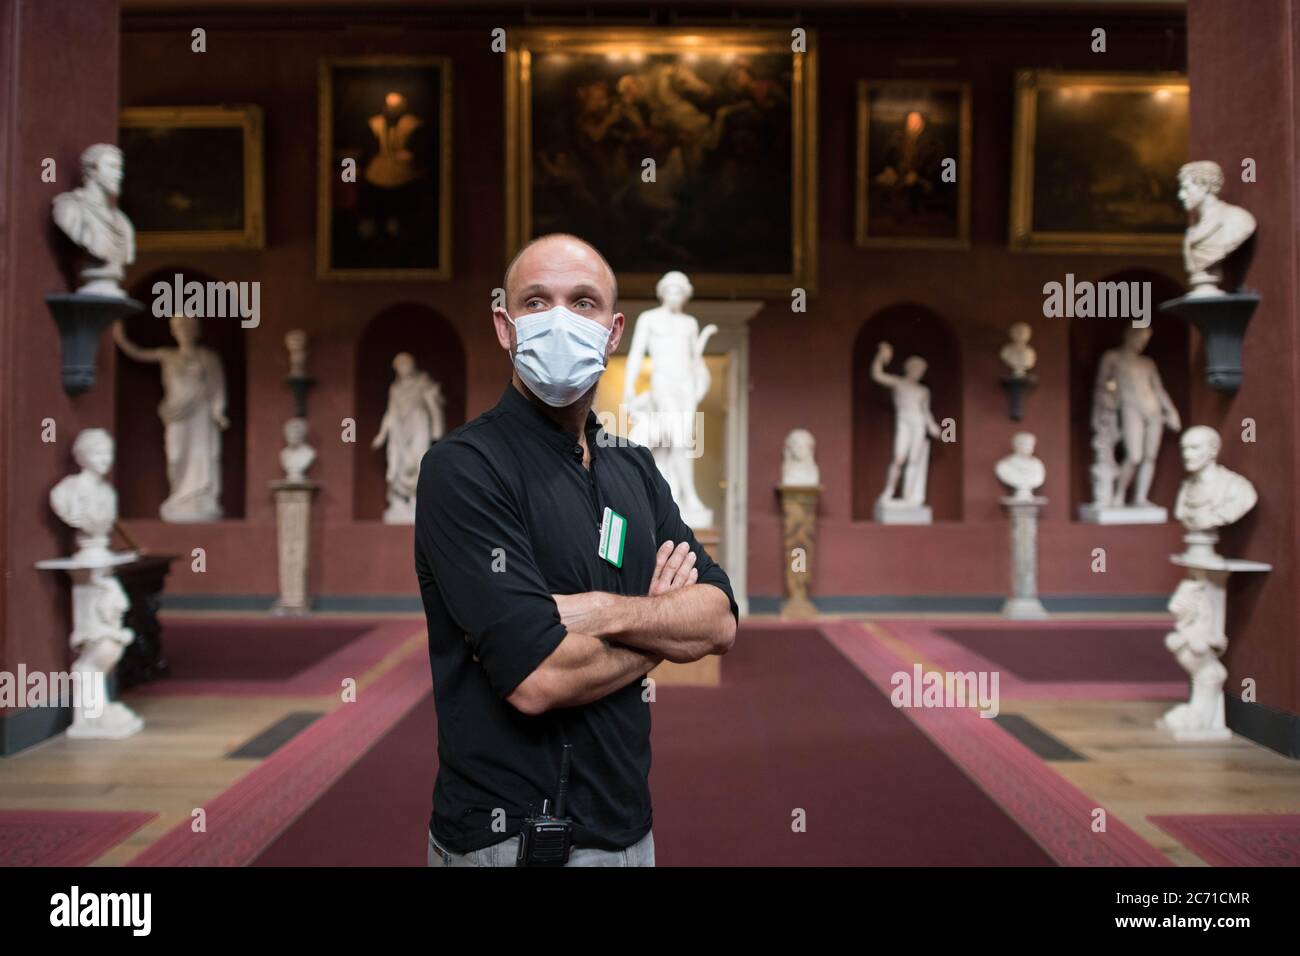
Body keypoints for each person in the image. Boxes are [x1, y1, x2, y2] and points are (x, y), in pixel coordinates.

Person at [416, 233, 738, 868]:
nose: (560, 319)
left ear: (613, 331)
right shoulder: (463, 469)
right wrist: (662, 626)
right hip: (512, 844)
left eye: (583, 302)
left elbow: (721, 619)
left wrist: (598, 611)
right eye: (537, 301)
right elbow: (539, 678)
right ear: (505, 327)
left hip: (630, 832)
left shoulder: (633, 466)